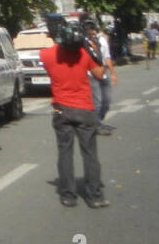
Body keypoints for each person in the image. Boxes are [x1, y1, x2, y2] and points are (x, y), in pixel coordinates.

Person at [42, 18, 109, 208]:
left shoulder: (46, 54)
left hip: (61, 109)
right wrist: (94, 52)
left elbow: (51, 64)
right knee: (90, 154)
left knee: (65, 153)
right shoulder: (84, 55)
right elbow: (99, 74)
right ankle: (95, 196)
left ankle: (68, 196)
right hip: (85, 109)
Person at [82, 16, 118, 136]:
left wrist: (113, 74)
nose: (91, 30)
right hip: (90, 75)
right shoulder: (83, 42)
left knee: (106, 102)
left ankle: (97, 122)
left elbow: (107, 57)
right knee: (97, 102)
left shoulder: (102, 40)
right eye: (88, 28)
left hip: (103, 74)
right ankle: (95, 126)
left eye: (92, 27)